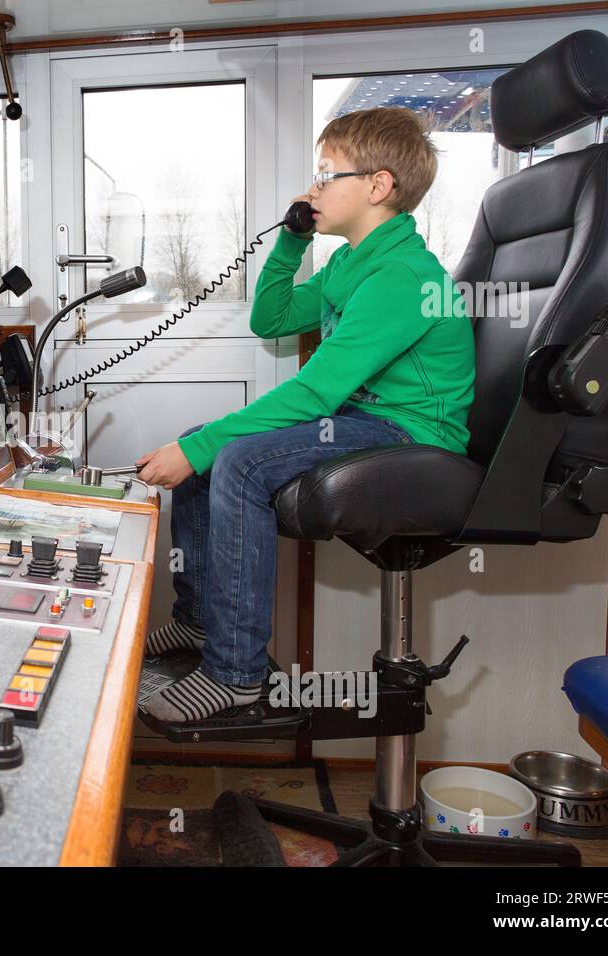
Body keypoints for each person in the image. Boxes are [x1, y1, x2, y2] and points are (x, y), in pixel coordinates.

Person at [136, 106, 475, 724]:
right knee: (202, 445)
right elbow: (272, 319)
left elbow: (318, 392)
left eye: (326, 174)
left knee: (230, 458)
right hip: (371, 418)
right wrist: (292, 240)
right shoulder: (353, 262)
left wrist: (204, 449)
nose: (313, 189)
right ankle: (198, 622)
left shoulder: (401, 275)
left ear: (377, 187)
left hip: (414, 433)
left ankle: (236, 673)